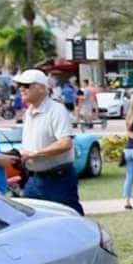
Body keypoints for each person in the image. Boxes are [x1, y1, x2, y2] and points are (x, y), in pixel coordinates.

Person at [16, 68, 83, 214]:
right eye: (20, 85)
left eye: (26, 86)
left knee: (67, 218)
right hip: (33, 178)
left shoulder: (56, 110)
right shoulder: (28, 113)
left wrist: (35, 153)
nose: (21, 89)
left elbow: (65, 143)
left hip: (57, 179)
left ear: (41, 88)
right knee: (31, 220)